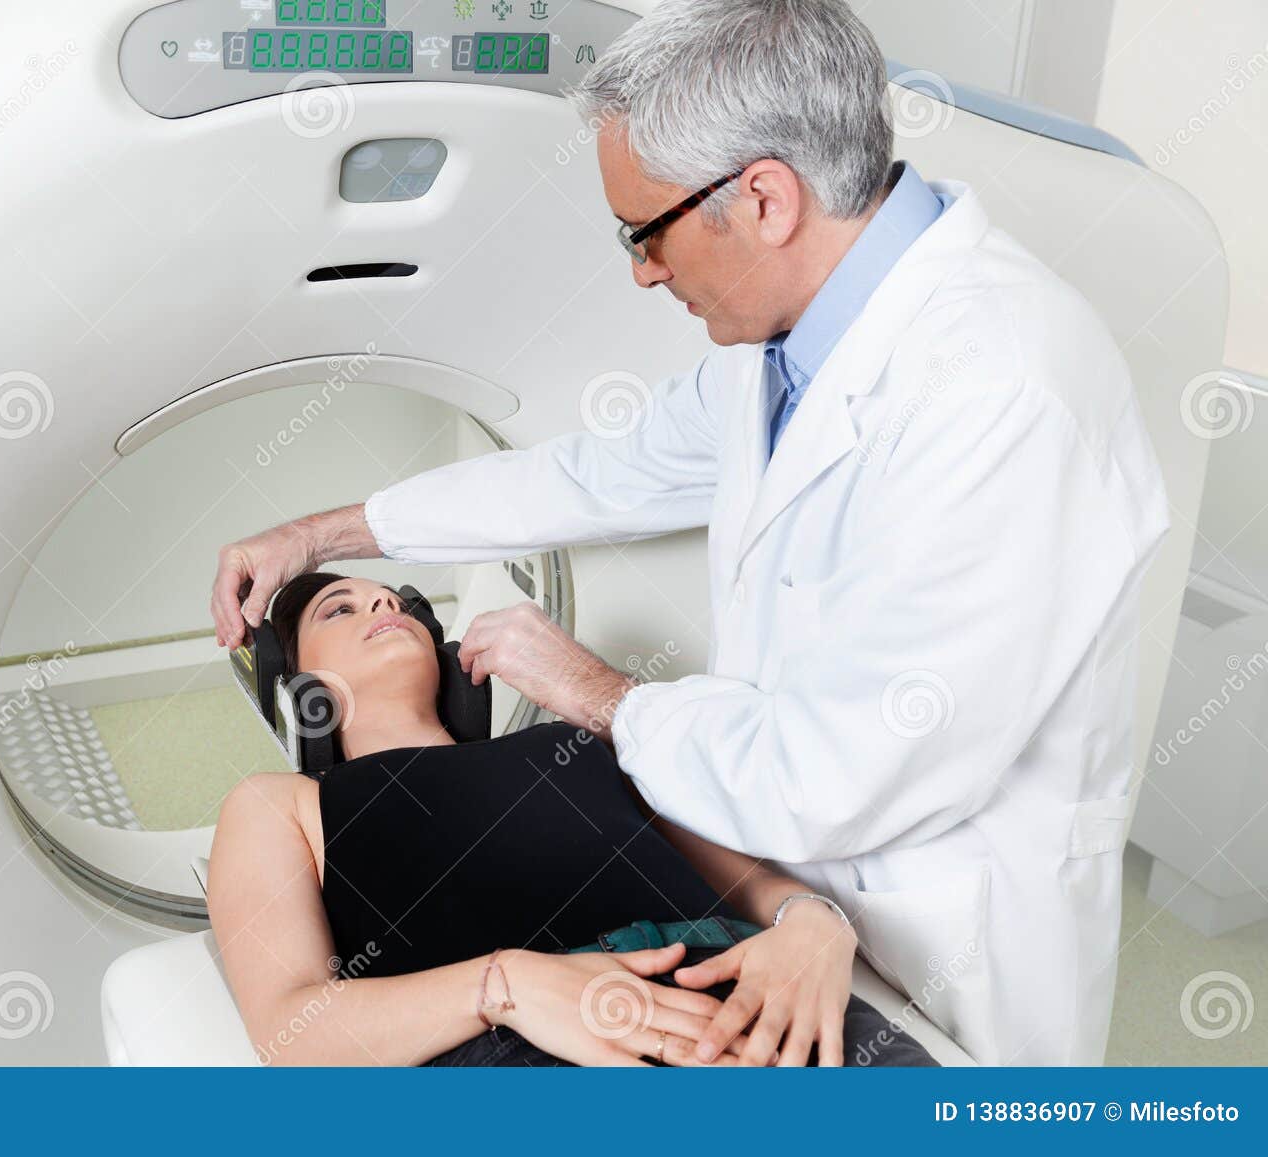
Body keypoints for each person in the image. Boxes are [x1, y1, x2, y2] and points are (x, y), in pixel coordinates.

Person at [211, 0, 1168, 1065]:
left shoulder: (1003, 390)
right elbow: (588, 472)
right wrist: (321, 534)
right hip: (753, 934)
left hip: (940, 918)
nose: (643, 271)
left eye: (645, 231)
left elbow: (834, 778)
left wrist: (598, 696)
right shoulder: (785, 349)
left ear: (763, 197)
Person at [207, 571, 935, 1066]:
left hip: (757, 1002)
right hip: (527, 1046)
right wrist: (508, 985)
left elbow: (751, 884)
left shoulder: (582, 743)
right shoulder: (283, 804)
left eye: (396, 601)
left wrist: (816, 923)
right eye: (341, 607)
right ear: (295, 686)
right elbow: (290, 1031)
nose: (383, 608)